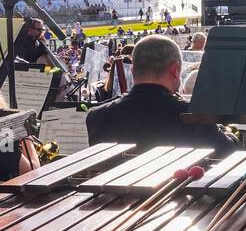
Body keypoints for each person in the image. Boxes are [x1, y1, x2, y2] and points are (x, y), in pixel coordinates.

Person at [86, 34, 236, 152]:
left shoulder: (96, 117)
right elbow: (229, 152)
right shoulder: (191, 116)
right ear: (174, 70)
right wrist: (225, 131)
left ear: (132, 71)